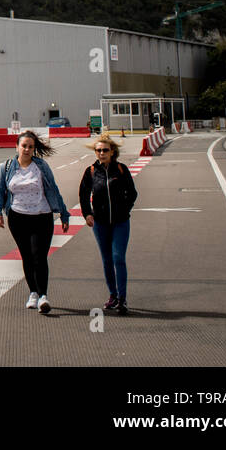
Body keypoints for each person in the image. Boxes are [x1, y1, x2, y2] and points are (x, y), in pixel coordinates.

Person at [0, 130, 70, 314]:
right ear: (17, 147)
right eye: (24, 146)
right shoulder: (7, 167)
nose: (27, 149)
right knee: (26, 256)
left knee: (38, 256)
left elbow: (54, 189)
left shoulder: (41, 166)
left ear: (34, 149)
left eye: (30, 147)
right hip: (17, 217)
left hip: (41, 216)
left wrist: (64, 214)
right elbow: (0, 190)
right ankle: (33, 293)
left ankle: (43, 296)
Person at [79, 133, 137, 315]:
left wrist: (124, 210)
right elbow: (83, 194)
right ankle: (112, 295)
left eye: (105, 150)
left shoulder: (121, 169)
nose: (101, 153)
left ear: (112, 151)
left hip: (120, 222)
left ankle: (122, 298)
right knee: (106, 260)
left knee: (118, 257)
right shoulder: (90, 171)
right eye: (98, 150)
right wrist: (87, 214)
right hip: (100, 223)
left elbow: (132, 193)